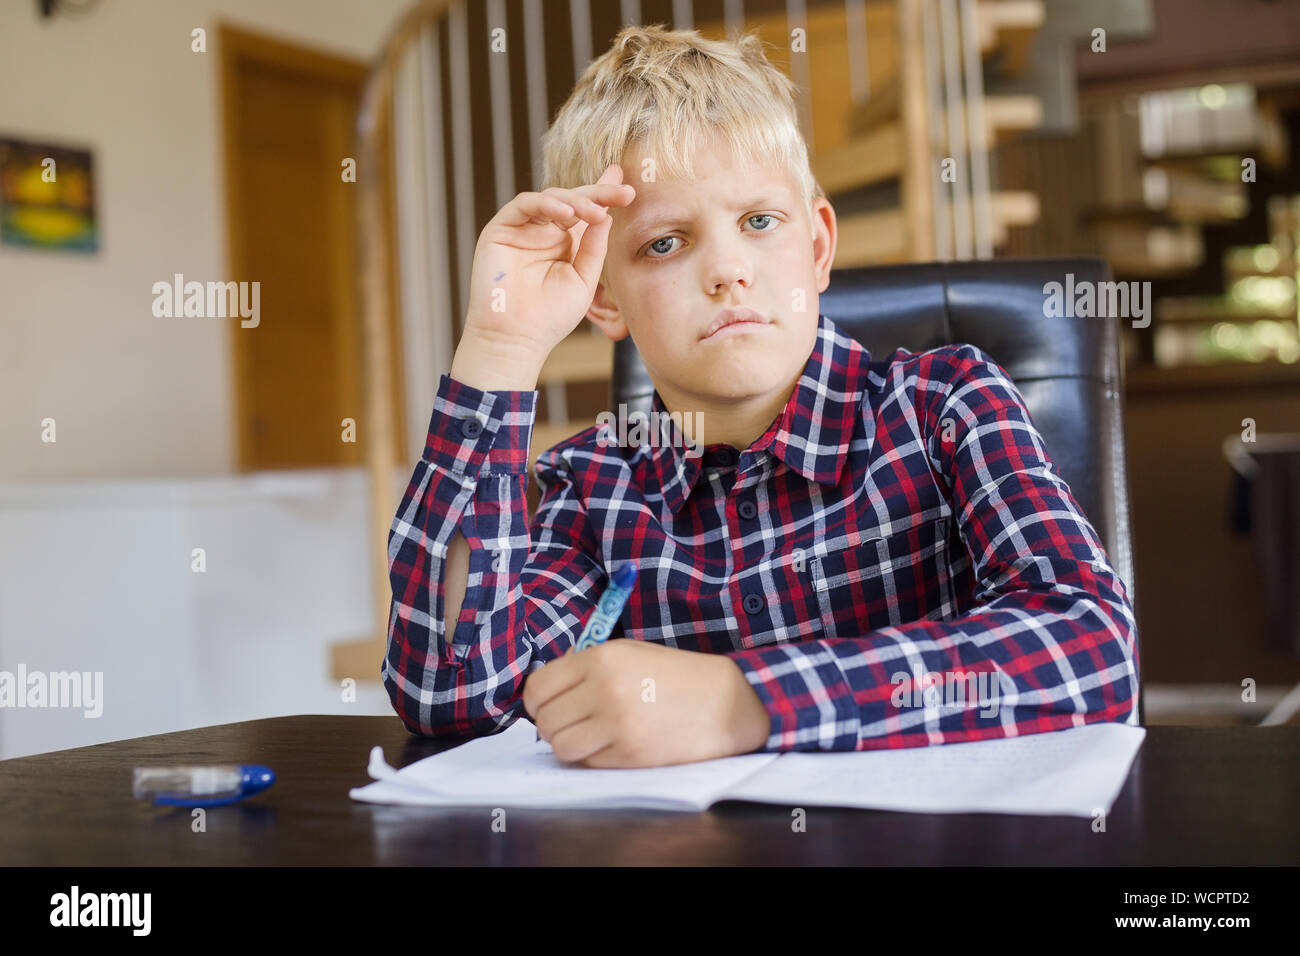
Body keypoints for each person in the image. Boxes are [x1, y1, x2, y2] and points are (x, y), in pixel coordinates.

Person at [383, 25, 1139, 768]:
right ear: (604, 298)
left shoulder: (947, 406)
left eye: (759, 221)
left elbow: (1092, 649)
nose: (727, 270)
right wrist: (501, 349)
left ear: (816, 246)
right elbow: (450, 695)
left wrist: (742, 700)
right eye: (664, 243)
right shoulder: (591, 489)